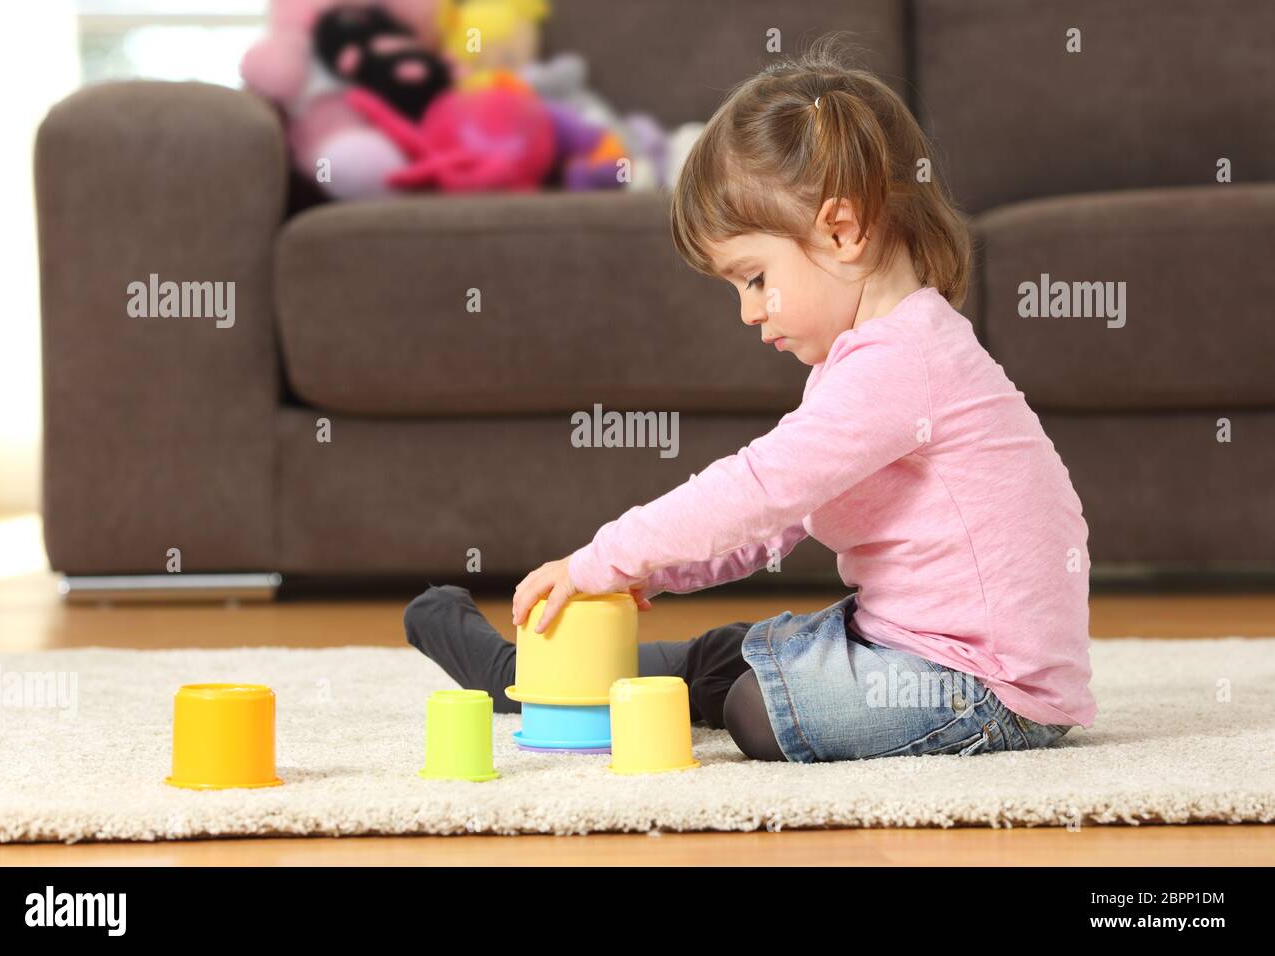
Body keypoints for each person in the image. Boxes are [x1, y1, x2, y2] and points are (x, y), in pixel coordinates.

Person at [406, 33, 1094, 762]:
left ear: (843, 230)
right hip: (907, 646)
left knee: (758, 706)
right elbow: (779, 521)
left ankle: (544, 680)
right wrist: (652, 570)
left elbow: (758, 490)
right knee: (725, 657)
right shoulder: (867, 364)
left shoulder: (906, 361)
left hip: (981, 686)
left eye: (755, 278)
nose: (748, 311)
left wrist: (602, 558)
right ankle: (543, 679)